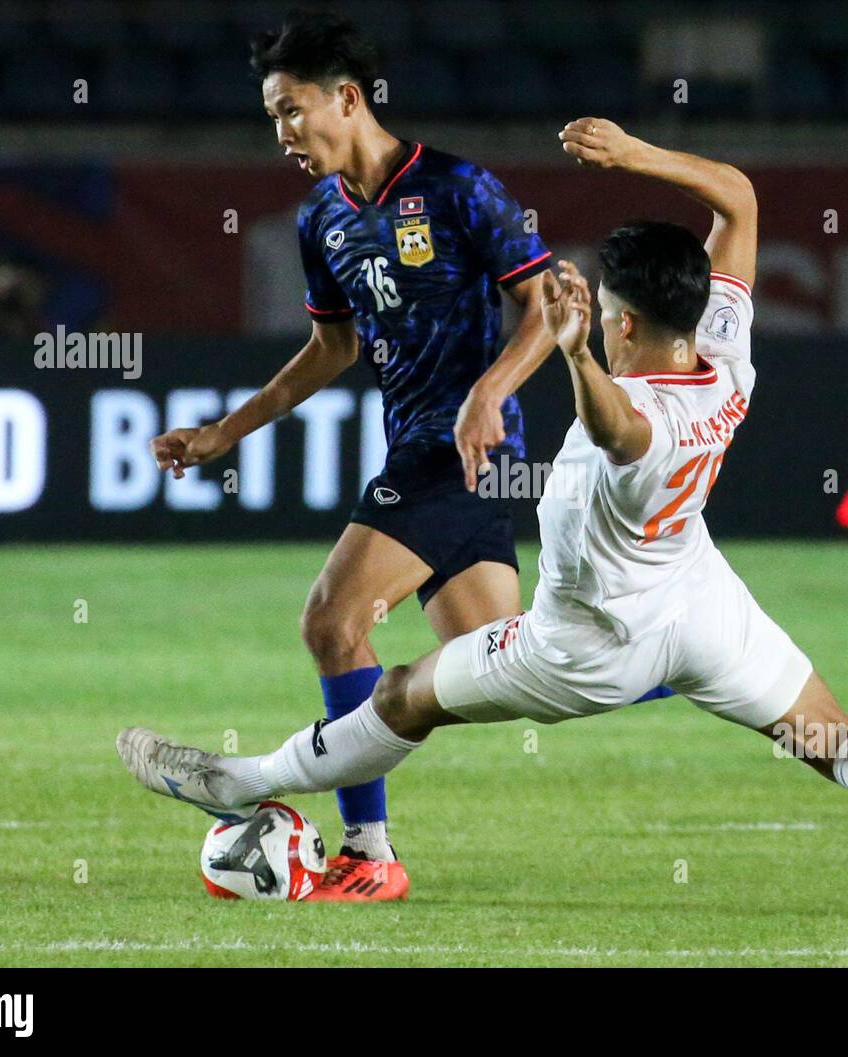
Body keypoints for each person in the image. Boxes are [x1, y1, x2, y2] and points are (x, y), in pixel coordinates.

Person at [123, 119, 848, 921]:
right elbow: (740, 198)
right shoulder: (723, 352)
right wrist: (638, 156)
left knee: (408, 692)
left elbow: (623, 427)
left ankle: (247, 778)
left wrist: (573, 352)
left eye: (605, 315)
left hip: (590, 642)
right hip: (701, 604)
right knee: (834, 739)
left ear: (624, 324)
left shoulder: (638, 411)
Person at [145, 11, 559, 901]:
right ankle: (678, 656)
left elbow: (552, 309)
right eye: (272, 119)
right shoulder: (320, 218)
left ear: (348, 96)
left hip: (457, 451)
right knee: (501, 671)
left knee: (333, 623)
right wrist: (229, 430)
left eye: (293, 111)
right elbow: (331, 349)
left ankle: (367, 851)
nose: (283, 135)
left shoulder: (459, 188)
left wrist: (489, 393)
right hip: (419, 445)